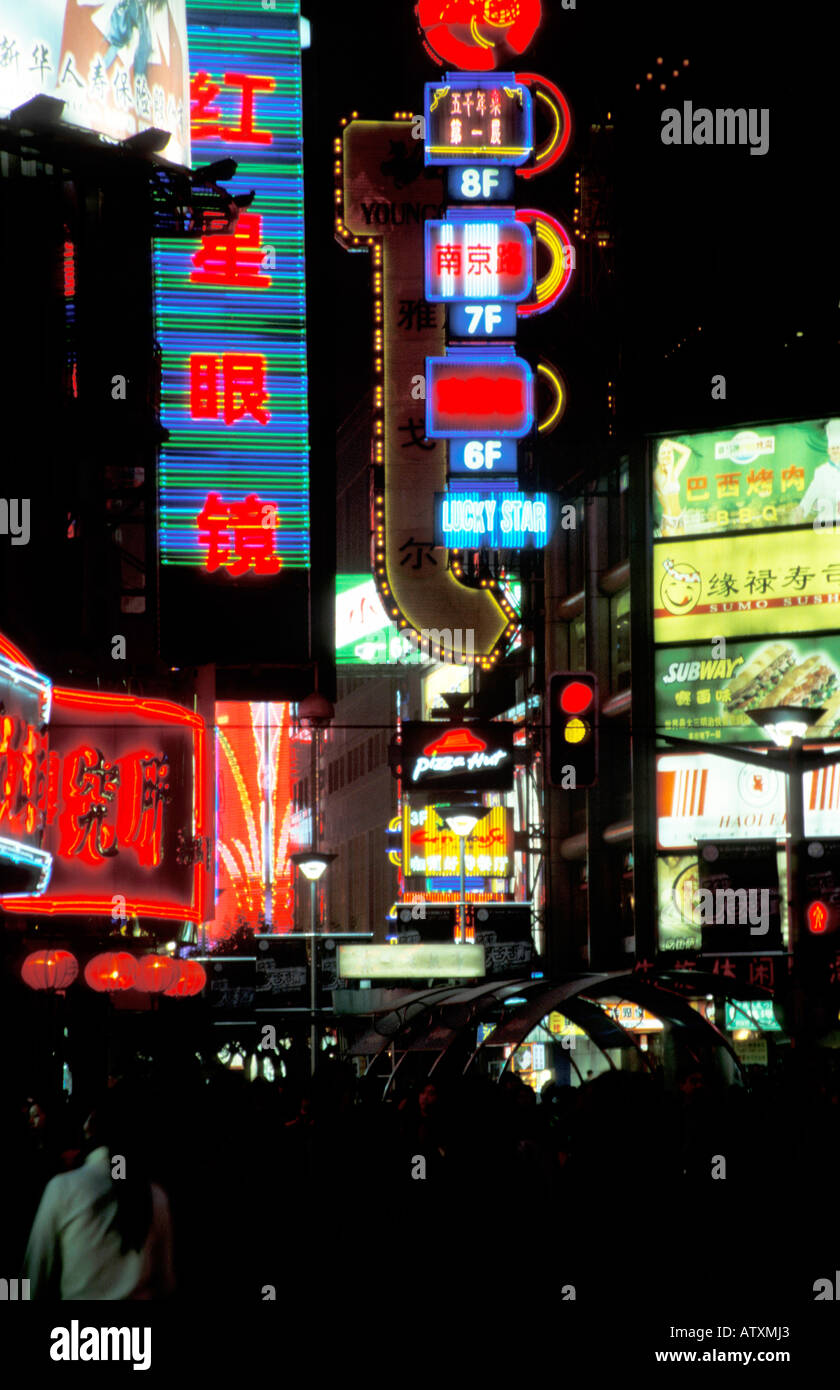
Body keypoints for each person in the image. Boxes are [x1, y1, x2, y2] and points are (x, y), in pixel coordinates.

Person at [23, 1084, 174, 1300]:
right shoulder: (155, 1195)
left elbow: (31, 1275)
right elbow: (166, 1283)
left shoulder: (64, 1189)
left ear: (90, 1126)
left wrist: (5, 1294)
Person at [793, 419, 840, 525]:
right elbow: (812, 492)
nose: (836, 451)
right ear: (828, 450)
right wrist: (802, 508)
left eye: (838, 448)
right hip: (827, 523)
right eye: (833, 448)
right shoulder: (821, 471)